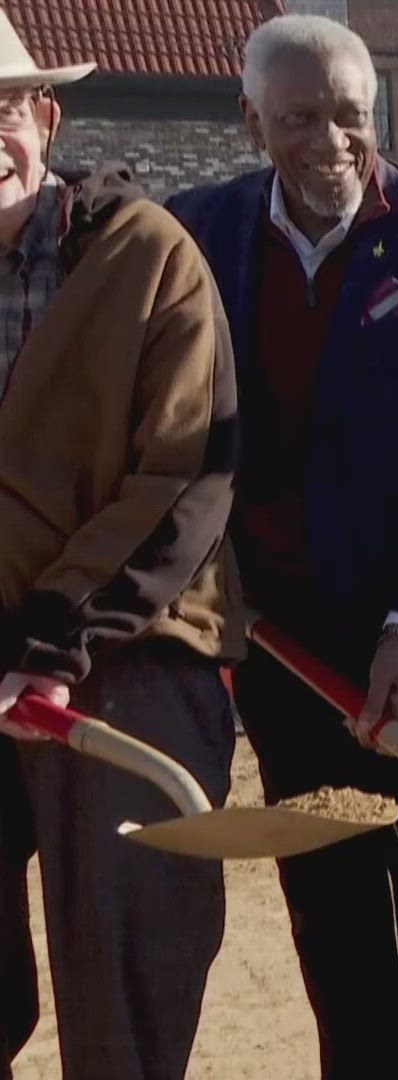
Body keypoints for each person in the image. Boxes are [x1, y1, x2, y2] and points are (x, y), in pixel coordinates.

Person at [167, 14, 398, 1076]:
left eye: (351, 115)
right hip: (281, 650)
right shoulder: (197, 235)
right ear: (252, 122)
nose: (330, 140)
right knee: (330, 915)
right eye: (300, 118)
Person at [0, 18, 240, 1077]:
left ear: (42, 118)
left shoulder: (147, 257)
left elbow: (184, 471)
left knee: (125, 984)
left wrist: (54, 636)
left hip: (118, 651)